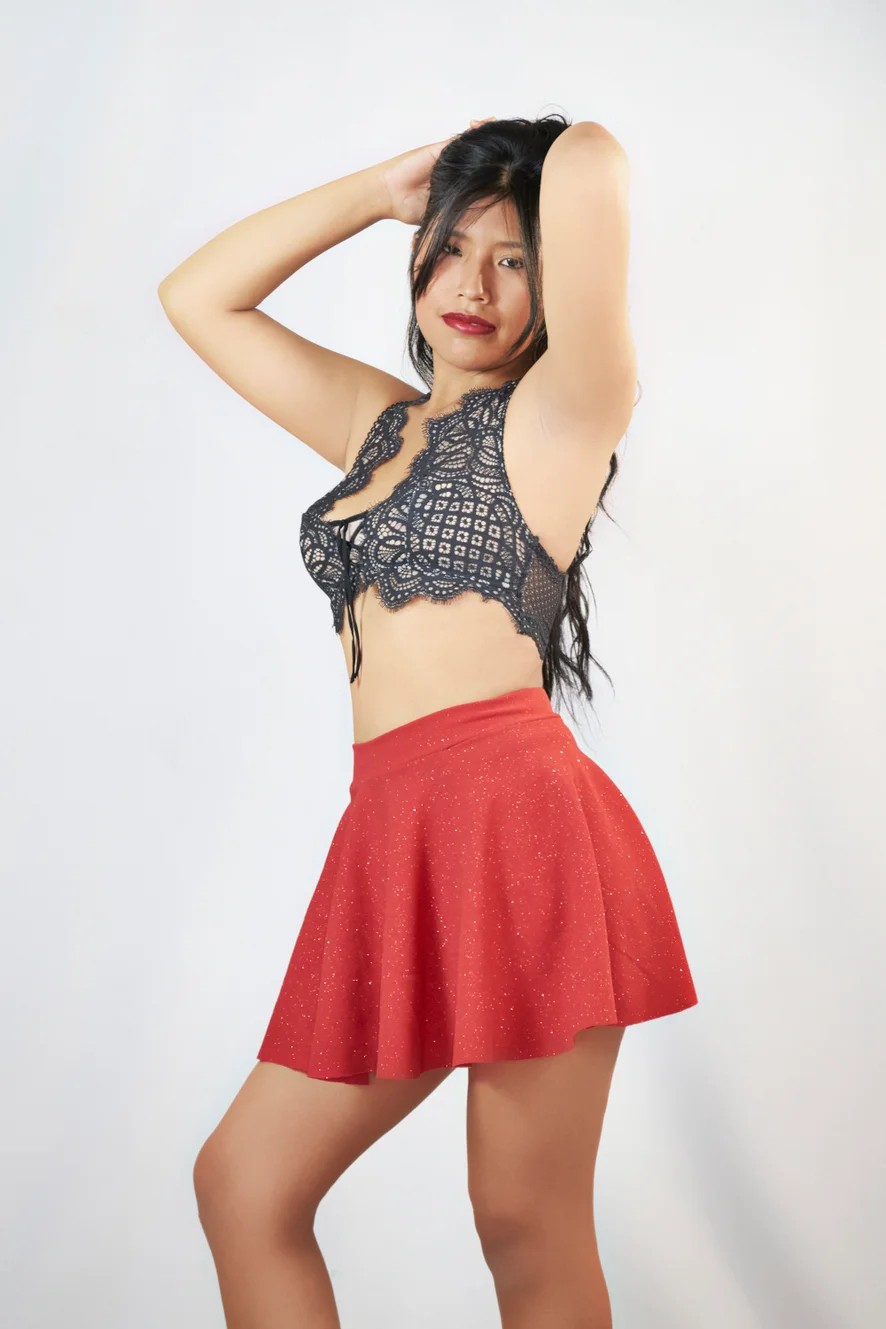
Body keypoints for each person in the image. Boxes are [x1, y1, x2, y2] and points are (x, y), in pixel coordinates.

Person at [158, 112, 698, 1329]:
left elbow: (595, 162)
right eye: (453, 249)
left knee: (522, 1220)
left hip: (522, 823)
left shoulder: (563, 414)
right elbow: (198, 298)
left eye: (513, 261)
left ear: (556, 285)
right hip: (392, 832)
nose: (474, 286)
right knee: (244, 1185)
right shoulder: (379, 424)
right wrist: (373, 189)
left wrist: (532, 157)